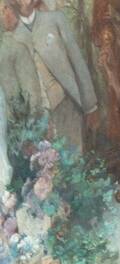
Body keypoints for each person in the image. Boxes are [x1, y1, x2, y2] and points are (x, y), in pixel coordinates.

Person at [11, 0, 97, 152]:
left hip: (67, 102)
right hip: (39, 117)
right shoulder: (15, 37)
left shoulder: (55, 19)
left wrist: (90, 106)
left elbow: (77, 60)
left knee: (75, 160)